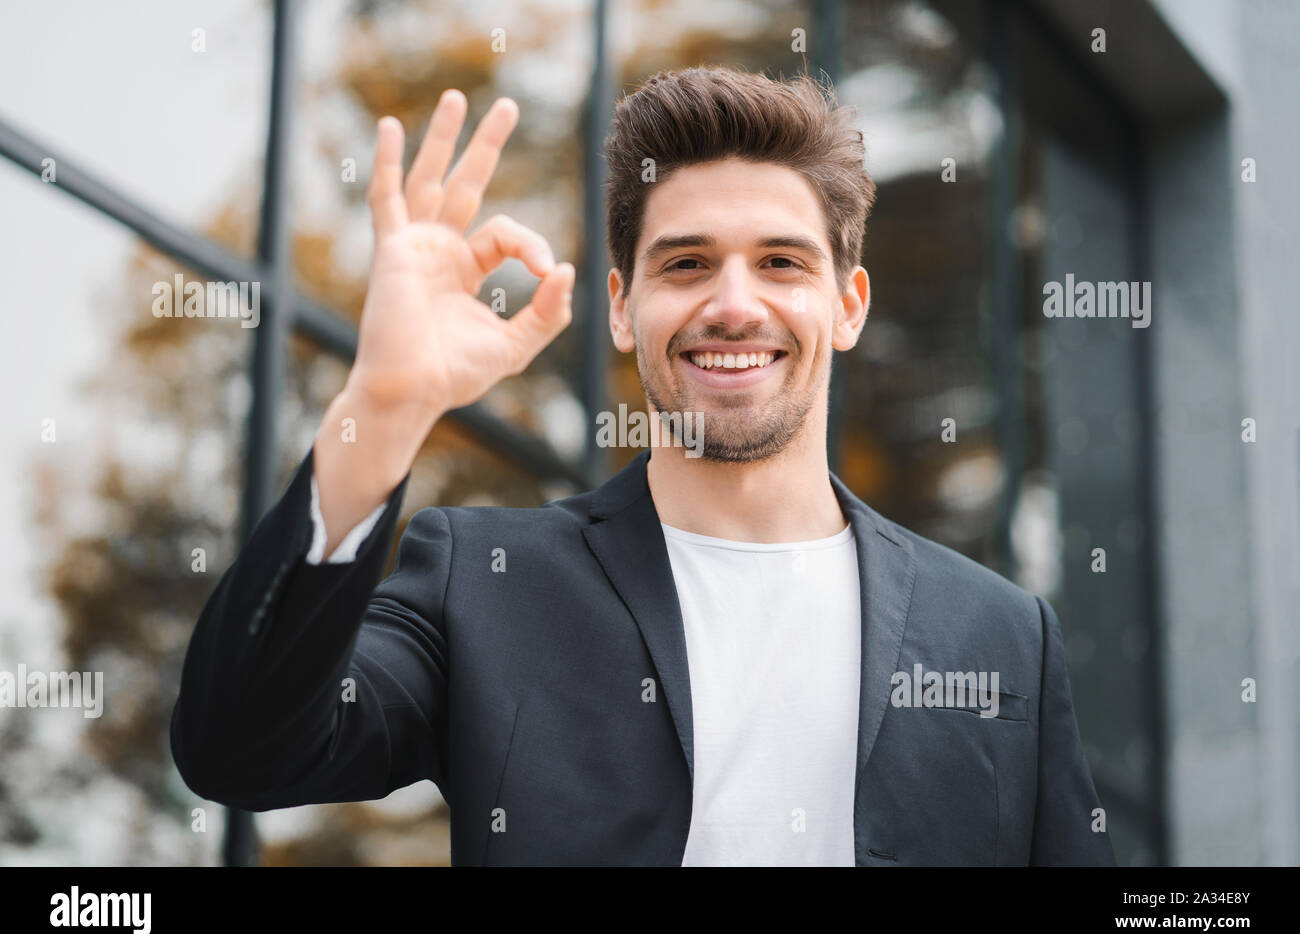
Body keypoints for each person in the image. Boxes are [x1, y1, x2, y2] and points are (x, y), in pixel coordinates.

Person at [170, 65, 1116, 866]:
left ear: (849, 304)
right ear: (622, 308)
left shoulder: (1001, 635)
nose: (734, 305)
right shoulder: (487, 581)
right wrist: (379, 410)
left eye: (782, 262)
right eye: (687, 264)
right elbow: (239, 753)